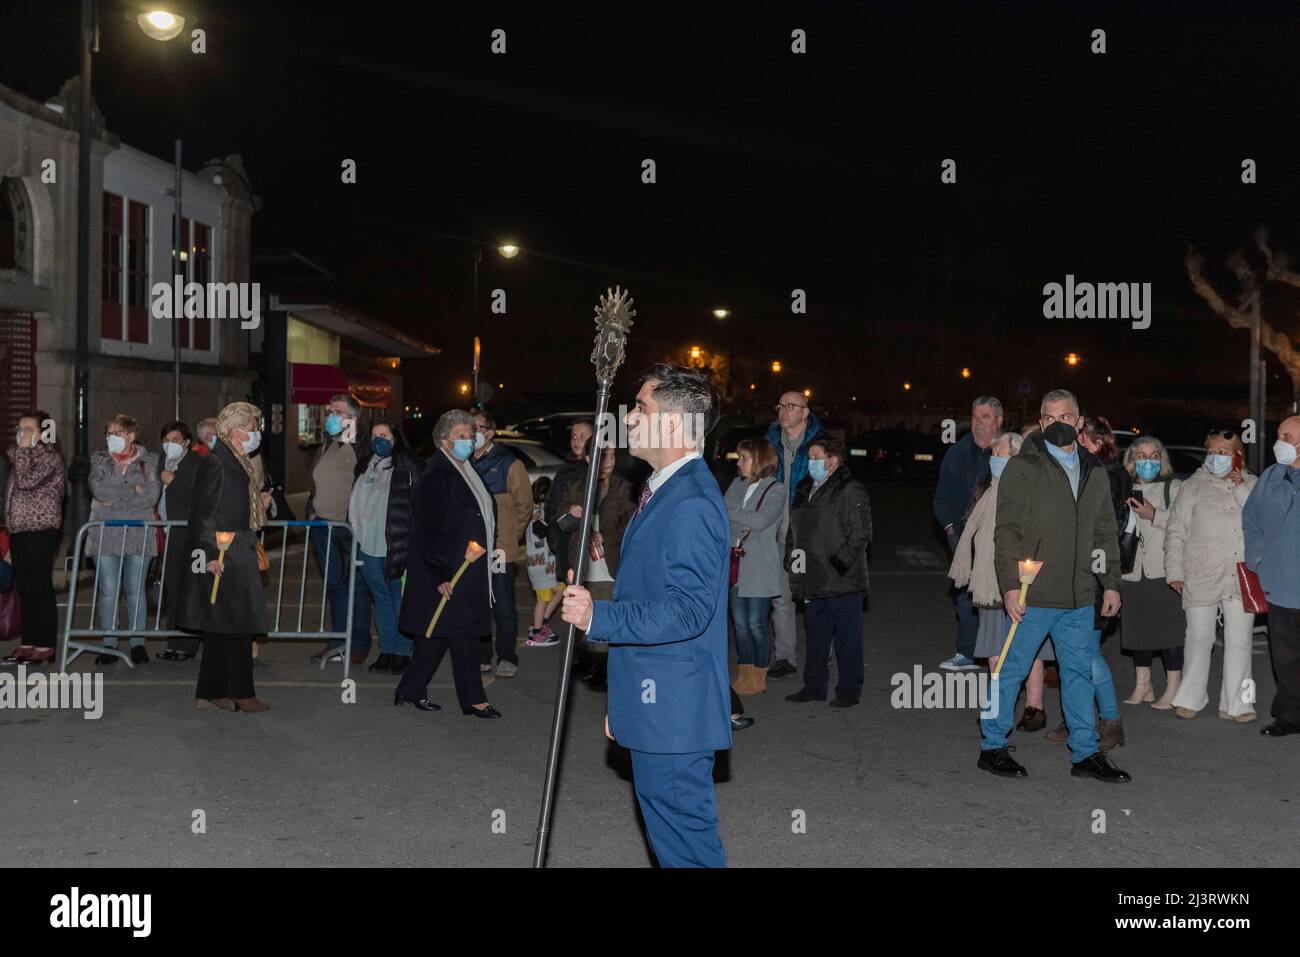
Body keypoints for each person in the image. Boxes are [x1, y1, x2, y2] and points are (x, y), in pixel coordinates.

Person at [561, 364, 730, 867]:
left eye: (641, 409)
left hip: (676, 714)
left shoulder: (693, 501)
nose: (629, 418)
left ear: (674, 425)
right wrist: (628, 703)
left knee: (688, 851)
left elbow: (688, 611)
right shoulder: (663, 490)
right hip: (655, 704)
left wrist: (600, 617)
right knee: (672, 846)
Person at [979, 389, 1131, 782]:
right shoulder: (1023, 466)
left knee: (1077, 673)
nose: (1056, 424)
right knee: (1010, 670)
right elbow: (1007, 531)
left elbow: (1104, 531)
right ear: (1042, 423)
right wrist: (1011, 586)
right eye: (1048, 418)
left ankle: (1085, 753)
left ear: (1079, 423)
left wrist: (1110, 584)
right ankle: (992, 746)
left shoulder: (1095, 471)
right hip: (1034, 593)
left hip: (1080, 595)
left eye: (1065, 417)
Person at [395, 409, 500, 718]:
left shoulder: (465, 468)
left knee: (441, 633)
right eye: (462, 436)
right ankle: (473, 700)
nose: (469, 441)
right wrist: (439, 573)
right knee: (460, 631)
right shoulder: (435, 474)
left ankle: (410, 689)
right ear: (443, 440)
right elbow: (426, 529)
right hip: (448, 568)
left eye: (471, 435)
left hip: (466, 565)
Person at [177, 402, 271, 712]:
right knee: (234, 624)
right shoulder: (217, 463)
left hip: (237, 547)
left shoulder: (237, 461)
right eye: (252, 427)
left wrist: (258, 501)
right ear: (235, 430)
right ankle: (241, 692)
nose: (256, 432)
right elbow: (202, 512)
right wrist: (208, 554)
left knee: (225, 625)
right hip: (224, 551)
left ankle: (213, 689)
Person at [1038, 414, 1125, 750]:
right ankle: (1079, 718)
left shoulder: (1107, 476)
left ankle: (1111, 721)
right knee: (1073, 653)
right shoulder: (1087, 472)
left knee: (1085, 654)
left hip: (1095, 577)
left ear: (1096, 444)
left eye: (1080, 438)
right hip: (1078, 575)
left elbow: (1103, 532)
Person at [1164, 428, 1257, 722]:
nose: (1216, 457)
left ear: (1237, 456)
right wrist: (1174, 570)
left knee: (1241, 641)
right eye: (1212, 452)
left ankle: (1240, 703)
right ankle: (1192, 696)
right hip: (1200, 572)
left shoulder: (1253, 483)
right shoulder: (1192, 485)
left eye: (1224, 452)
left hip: (1240, 573)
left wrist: (1240, 487)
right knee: (1199, 638)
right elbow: (1176, 531)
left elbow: (1259, 522)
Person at [783, 434, 872, 706]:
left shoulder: (850, 489)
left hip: (841, 580)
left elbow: (861, 533)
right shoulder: (803, 488)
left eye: (816, 458)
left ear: (832, 460)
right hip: (811, 577)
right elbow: (794, 530)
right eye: (809, 458)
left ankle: (848, 691)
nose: (811, 463)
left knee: (847, 639)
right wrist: (792, 558)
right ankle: (814, 686)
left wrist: (838, 564)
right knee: (817, 637)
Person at [557, 440, 636, 686]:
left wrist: (609, 535)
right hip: (582, 560)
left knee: (603, 611)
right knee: (581, 612)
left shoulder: (625, 487)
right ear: (590, 458)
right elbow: (561, 523)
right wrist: (573, 514)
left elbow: (631, 525)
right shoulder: (577, 486)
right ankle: (588, 660)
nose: (610, 461)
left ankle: (604, 668)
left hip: (609, 560)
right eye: (604, 456)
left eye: (613, 456)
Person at [934, 397, 1003, 672]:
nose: (979, 422)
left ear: (999, 420)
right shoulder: (958, 452)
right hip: (964, 536)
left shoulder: (1009, 450)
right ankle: (968, 653)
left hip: (1000, 536)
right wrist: (950, 529)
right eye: (975, 416)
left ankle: (1001, 653)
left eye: (985, 416)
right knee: (965, 594)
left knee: (999, 595)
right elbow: (942, 495)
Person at [86, 413, 161, 666]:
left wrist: (117, 496)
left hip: (138, 534)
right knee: (107, 588)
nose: (111, 438)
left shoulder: (148, 462)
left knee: (135, 588)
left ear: (131, 435)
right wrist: (132, 490)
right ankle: (109, 642)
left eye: (116, 433)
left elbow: (151, 496)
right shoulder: (100, 460)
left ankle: (137, 642)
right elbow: (98, 489)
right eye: (109, 433)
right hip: (105, 534)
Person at [348, 418, 420, 675]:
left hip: (396, 546)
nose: (380, 440)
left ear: (395, 438)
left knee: (398, 600)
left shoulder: (407, 465)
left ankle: (403, 650)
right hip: (368, 546)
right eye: (375, 435)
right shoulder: (366, 466)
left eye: (385, 435)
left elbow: (418, 506)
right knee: (381, 601)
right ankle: (387, 650)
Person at [1242, 415, 1300, 736]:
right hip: (1280, 584)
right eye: (1279, 435)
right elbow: (1251, 522)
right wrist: (1258, 559)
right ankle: (1290, 715)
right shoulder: (1270, 477)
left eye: (1287, 436)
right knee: (1286, 656)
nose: (1280, 442)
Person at [949, 432, 1022, 683]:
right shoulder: (988, 491)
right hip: (988, 582)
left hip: (1016, 580)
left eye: (1002, 454)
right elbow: (970, 529)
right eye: (994, 455)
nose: (996, 459)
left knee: (1021, 647)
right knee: (992, 643)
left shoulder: (1025, 494)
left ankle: (1030, 704)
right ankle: (997, 694)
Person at [1118, 436, 1184, 709]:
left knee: (1169, 631)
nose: (1148, 461)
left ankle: (1174, 687)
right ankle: (1143, 685)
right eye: (1141, 456)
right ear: (1131, 460)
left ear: (1162, 459)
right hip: (1131, 571)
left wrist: (1155, 515)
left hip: (1164, 570)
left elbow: (1186, 524)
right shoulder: (1122, 488)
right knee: (1138, 631)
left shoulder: (1175, 488)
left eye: (1154, 455)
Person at [764, 391, 824, 679]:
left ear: (805, 412)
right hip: (775, 529)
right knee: (780, 596)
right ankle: (784, 657)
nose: (783, 411)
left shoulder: (820, 444)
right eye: (780, 405)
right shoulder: (770, 442)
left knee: (813, 596)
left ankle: (819, 657)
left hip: (807, 531)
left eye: (790, 406)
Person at [472, 410, 533, 677]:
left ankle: (507, 656)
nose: (471, 433)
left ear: (490, 432)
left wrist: (510, 536)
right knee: (477, 603)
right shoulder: (465, 462)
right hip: (473, 549)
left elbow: (525, 506)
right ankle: (482, 654)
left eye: (477, 428)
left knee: (504, 604)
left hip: (500, 548)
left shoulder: (509, 464)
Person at [1, 411, 65, 665]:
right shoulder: (20, 457)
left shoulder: (50, 458)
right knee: (25, 587)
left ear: (43, 433)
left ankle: (45, 644)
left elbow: (27, 483)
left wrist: (24, 450)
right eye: (20, 428)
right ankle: (27, 643)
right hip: (19, 529)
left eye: (28, 429)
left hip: (41, 529)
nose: (22, 434)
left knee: (40, 586)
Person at [305, 394, 365, 664]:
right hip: (322, 525)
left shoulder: (359, 446)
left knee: (354, 587)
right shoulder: (327, 445)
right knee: (335, 586)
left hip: (346, 529)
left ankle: (356, 644)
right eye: (329, 411)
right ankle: (337, 642)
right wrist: (312, 509)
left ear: (352, 418)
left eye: (337, 412)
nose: (330, 416)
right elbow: (317, 483)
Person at [724, 438, 785, 695]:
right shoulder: (737, 484)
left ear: (759, 460)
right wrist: (735, 514)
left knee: (756, 624)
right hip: (736, 565)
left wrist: (732, 513)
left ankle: (759, 675)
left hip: (760, 566)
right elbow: (721, 512)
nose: (739, 463)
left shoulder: (776, 489)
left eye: (744, 458)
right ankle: (744, 674)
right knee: (739, 625)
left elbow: (760, 521)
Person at [156, 421, 204, 661]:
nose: (170, 445)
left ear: (186, 442)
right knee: (173, 587)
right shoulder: (161, 463)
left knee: (188, 588)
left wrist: (172, 482)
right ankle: (173, 640)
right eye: (166, 440)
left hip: (188, 531)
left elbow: (198, 497)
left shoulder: (196, 463)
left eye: (175, 440)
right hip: (169, 532)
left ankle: (188, 642)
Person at [545, 418, 595, 596]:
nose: (576, 441)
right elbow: (551, 507)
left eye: (583, 436)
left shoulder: (601, 468)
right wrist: (556, 541)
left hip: (597, 549)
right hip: (568, 544)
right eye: (574, 436)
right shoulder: (565, 471)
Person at [524, 477, 563, 646]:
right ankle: (537, 631)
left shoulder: (539, 509)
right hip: (539, 565)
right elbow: (541, 529)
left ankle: (543, 622)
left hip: (549, 562)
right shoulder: (536, 511)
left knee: (561, 589)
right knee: (543, 598)